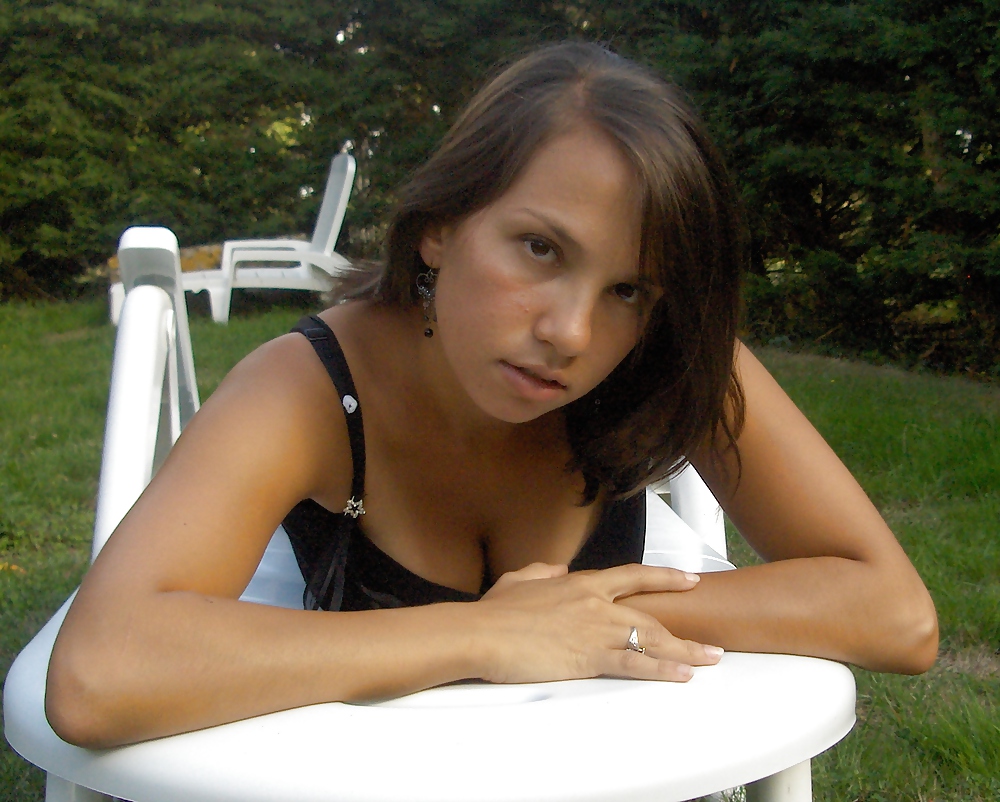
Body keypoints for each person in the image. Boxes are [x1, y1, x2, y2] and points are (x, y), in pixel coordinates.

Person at [46, 42, 938, 749]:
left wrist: (580, 621)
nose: (573, 333)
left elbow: (896, 616)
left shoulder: (668, 356)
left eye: (629, 289)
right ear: (441, 225)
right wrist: (481, 633)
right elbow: (99, 672)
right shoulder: (311, 387)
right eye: (541, 249)